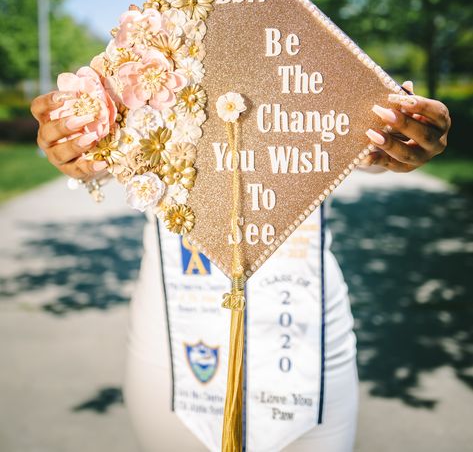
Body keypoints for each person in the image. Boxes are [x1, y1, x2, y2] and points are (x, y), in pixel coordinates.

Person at [31, 80, 450, 451]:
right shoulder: (153, 47)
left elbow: (368, 144)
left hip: (305, 332)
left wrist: (398, 133)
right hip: (171, 341)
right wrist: (74, 146)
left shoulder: (305, 43)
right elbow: (101, 154)